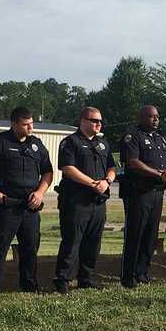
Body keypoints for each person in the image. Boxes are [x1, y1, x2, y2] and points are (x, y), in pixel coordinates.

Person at [0, 106, 53, 299]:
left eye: (32, 123)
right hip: (6, 207)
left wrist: (40, 193)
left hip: (30, 206)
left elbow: (47, 171)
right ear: (14, 124)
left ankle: (29, 286)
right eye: (25, 124)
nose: (30, 128)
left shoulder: (36, 145)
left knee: (30, 248)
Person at [54, 106, 116, 294]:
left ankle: (86, 278)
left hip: (98, 201)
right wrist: (92, 183)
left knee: (93, 242)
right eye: (94, 121)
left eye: (100, 121)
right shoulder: (70, 142)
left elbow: (112, 167)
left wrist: (106, 181)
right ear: (82, 121)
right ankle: (63, 280)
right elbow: (67, 168)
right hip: (76, 201)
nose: (98, 124)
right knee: (72, 241)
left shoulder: (102, 143)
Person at [119, 105, 166, 288]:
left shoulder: (161, 139)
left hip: (157, 193)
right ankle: (129, 277)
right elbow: (133, 162)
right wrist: (158, 174)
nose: (155, 119)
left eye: (157, 116)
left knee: (151, 234)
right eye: (151, 116)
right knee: (135, 234)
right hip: (138, 193)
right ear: (141, 117)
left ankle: (142, 272)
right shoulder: (133, 137)